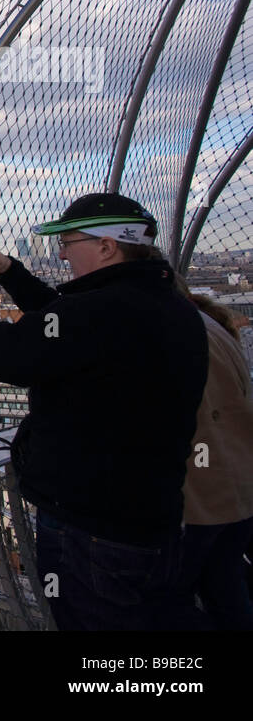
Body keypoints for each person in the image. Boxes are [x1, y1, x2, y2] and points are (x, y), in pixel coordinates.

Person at [0, 192, 208, 630]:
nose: (60, 252)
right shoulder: (171, 308)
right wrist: (6, 268)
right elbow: (64, 324)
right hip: (152, 522)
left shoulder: (100, 313)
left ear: (106, 246)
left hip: (92, 535)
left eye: (69, 241)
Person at [170, 269, 253, 630]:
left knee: (166, 604)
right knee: (226, 591)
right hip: (234, 495)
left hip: (197, 503)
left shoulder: (175, 331)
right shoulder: (209, 325)